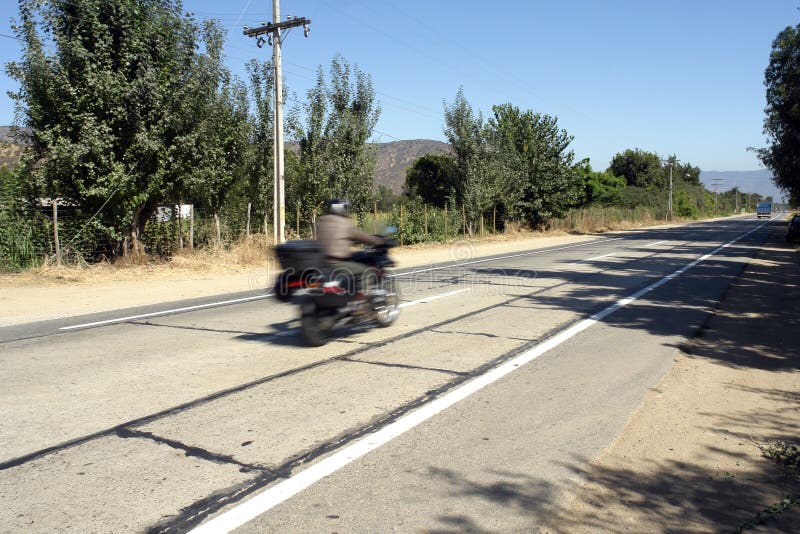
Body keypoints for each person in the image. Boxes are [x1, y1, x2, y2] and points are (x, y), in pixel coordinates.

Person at [315, 199, 385, 292]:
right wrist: (378, 241)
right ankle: (360, 302)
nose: (346, 210)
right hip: (337, 263)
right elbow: (361, 236)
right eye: (345, 207)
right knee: (367, 273)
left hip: (322, 262)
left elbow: (332, 239)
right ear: (339, 209)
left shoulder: (321, 222)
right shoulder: (343, 222)